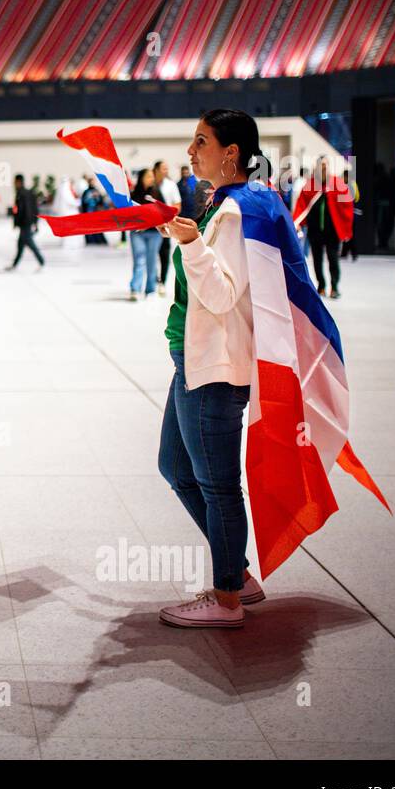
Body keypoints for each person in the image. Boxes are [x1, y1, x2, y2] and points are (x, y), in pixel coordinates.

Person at [154, 108, 264, 628]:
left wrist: (191, 243)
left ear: (231, 153)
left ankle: (226, 599)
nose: (190, 151)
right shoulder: (222, 206)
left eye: (200, 141)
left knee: (218, 482)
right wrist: (189, 238)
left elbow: (221, 295)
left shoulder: (238, 212)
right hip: (193, 359)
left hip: (215, 367)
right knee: (176, 468)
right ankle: (236, 573)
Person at [300, 158, 350, 299]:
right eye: (321, 165)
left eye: (325, 165)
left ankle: (334, 287)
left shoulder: (337, 184)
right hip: (315, 231)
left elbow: (347, 205)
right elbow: (302, 205)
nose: (323, 168)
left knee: (333, 258)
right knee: (317, 260)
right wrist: (298, 222)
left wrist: (345, 227)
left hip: (332, 231)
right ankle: (321, 286)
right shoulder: (310, 185)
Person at [128, 168, 163, 300]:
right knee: (139, 259)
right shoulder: (133, 194)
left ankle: (150, 289)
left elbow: (162, 211)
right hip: (137, 233)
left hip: (154, 233)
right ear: (142, 178)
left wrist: (149, 223)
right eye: (148, 176)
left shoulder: (156, 193)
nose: (151, 179)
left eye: (152, 176)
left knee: (152, 260)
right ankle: (135, 289)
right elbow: (129, 213)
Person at [7, 173, 45, 271]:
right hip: (27, 222)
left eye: (15, 182)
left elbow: (22, 210)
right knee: (21, 244)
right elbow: (35, 208)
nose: (14, 184)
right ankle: (14, 265)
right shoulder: (29, 192)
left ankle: (41, 261)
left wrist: (18, 222)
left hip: (25, 223)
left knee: (29, 243)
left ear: (18, 182)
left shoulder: (21, 193)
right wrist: (35, 222)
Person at [154, 161, 180, 295]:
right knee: (152, 255)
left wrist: (169, 216)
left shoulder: (171, 185)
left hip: (165, 225)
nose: (166, 171)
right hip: (151, 226)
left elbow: (177, 204)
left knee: (164, 255)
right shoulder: (150, 184)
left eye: (167, 168)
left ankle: (162, 282)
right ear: (156, 170)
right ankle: (153, 280)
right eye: (164, 168)